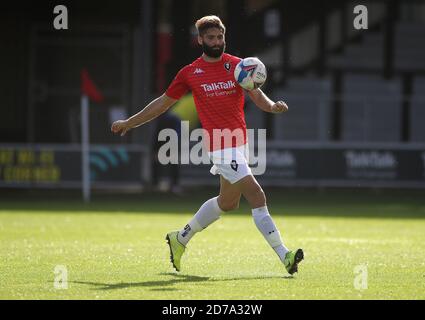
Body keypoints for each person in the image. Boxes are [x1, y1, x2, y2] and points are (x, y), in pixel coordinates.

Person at [111, 15, 304, 275]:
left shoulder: (238, 67)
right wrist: (130, 122)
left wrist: (272, 106)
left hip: (240, 144)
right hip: (220, 145)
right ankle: (285, 256)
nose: (216, 42)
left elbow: (256, 93)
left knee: (228, 203)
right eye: (211, 38)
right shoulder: (189, 73)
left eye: (220, 37)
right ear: (200, 39)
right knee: (257, 195)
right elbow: (162, 104)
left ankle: (180, 238)